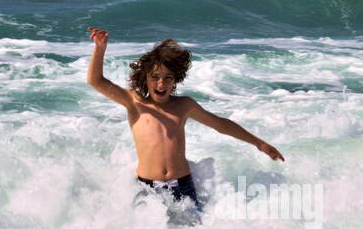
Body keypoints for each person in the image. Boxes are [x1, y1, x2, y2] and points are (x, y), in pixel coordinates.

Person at [86, 28, 284, 213]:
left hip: (182, 185)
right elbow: (96, 80)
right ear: (145, 78)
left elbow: (220, 125)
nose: (161, 83)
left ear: (175, 80)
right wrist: (100, 49)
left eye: (168, 78)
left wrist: (259, 143)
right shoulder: (134, 103)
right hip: (147, 187)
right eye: (155, 77)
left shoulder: (184, 106)